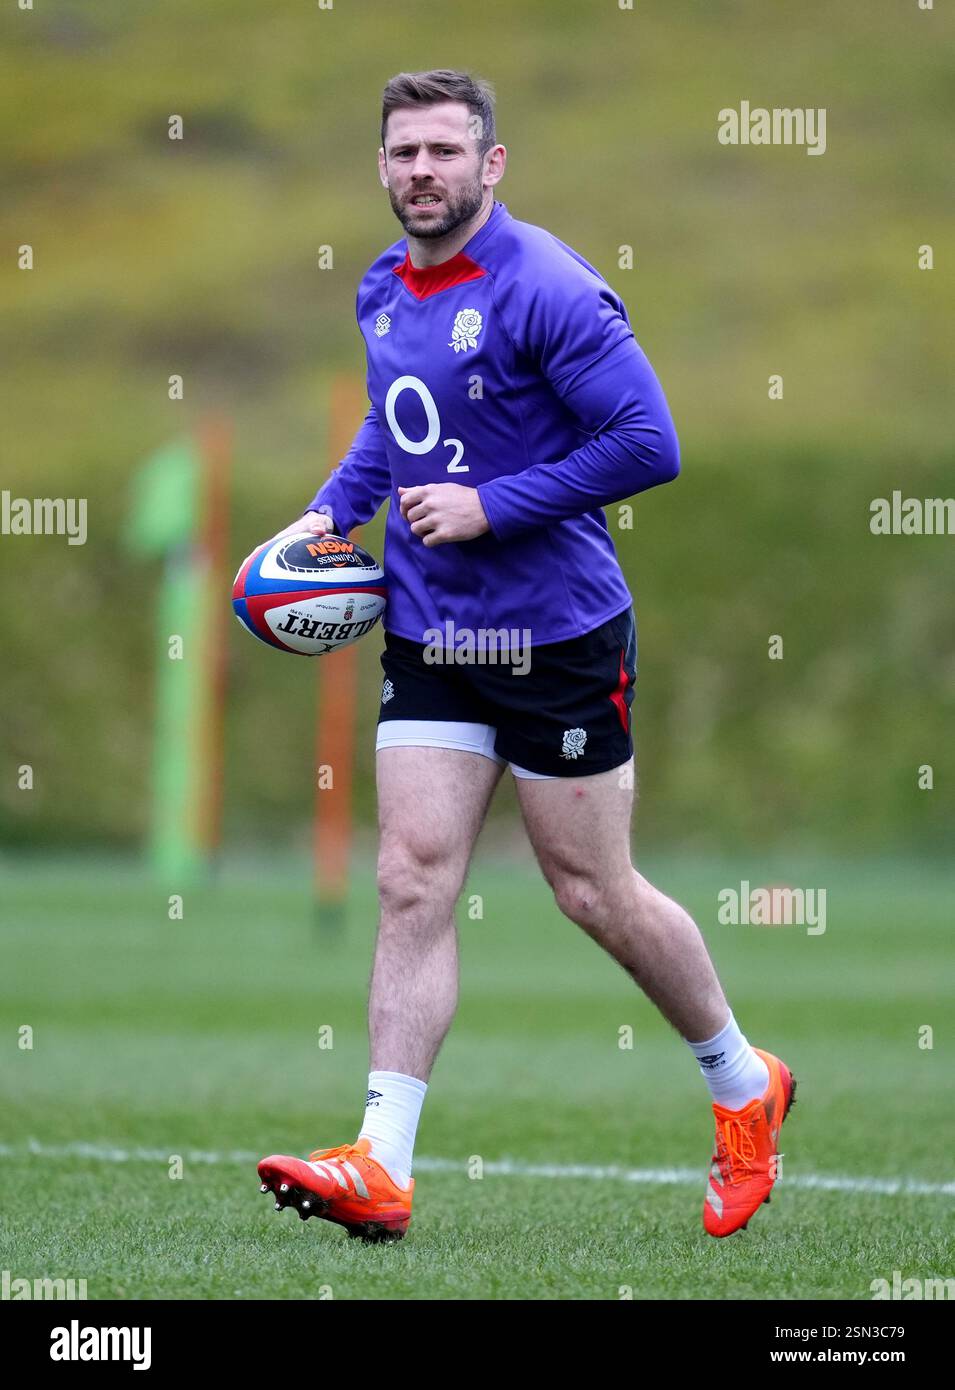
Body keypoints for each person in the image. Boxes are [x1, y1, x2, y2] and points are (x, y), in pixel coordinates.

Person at [257, 68, 795, 1243]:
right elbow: (395, 421)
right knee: (411, 873)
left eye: (445, 151)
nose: (421, 173)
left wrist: (494, 506)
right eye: (403, 153)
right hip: (433, 628)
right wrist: (330, 512)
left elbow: (650, 442)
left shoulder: (546, 285)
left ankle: (741, 1082)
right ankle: (381, 1161)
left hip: (556, 633)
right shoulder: (383, 288)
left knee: (591, 890)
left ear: (490, 165)